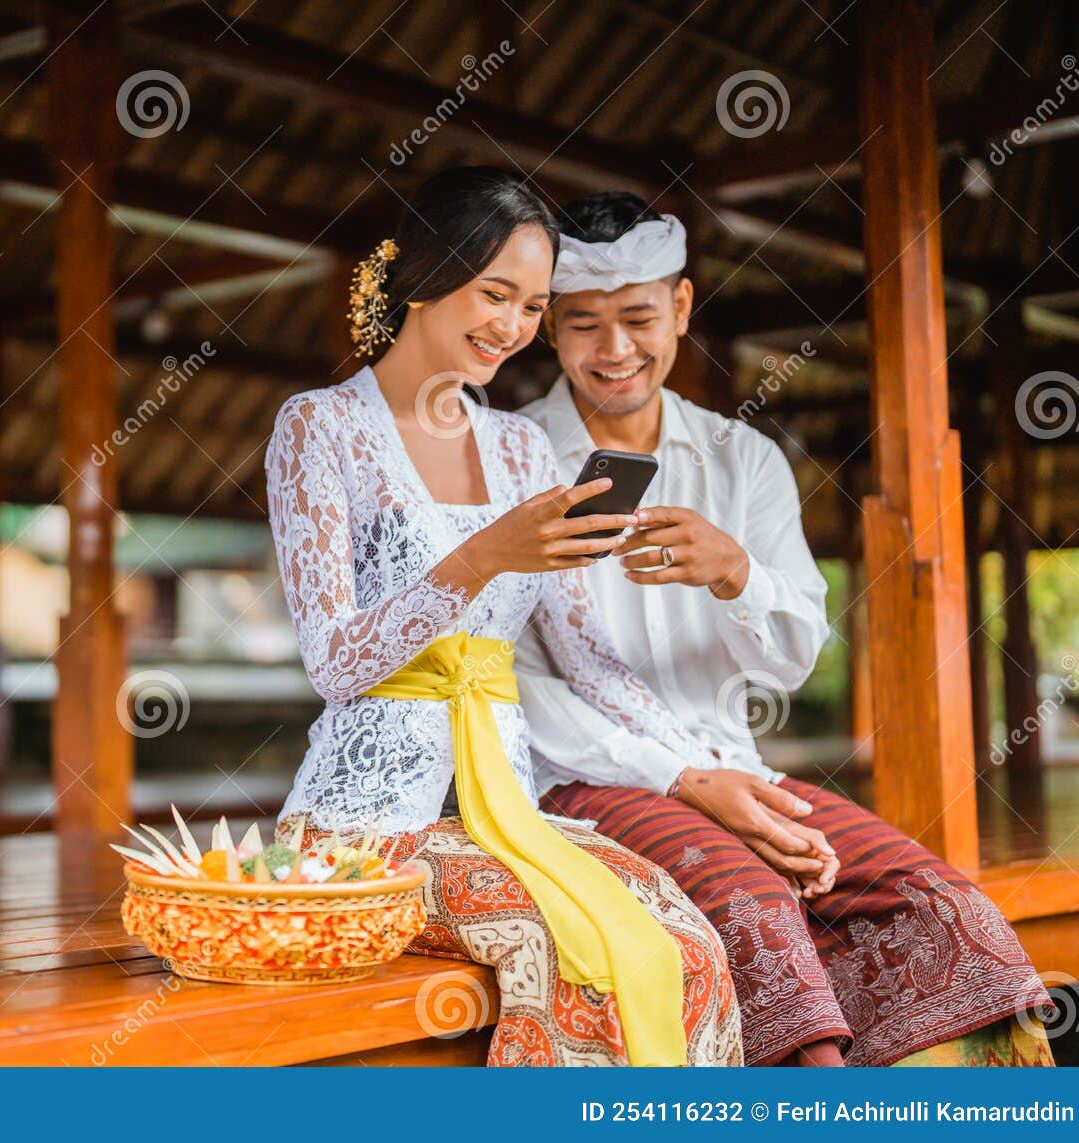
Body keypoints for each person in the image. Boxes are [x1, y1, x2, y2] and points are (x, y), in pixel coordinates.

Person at [514, 191, 1055, 1067]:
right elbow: (513, 690)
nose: (614, 350)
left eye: (640, 317)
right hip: (584, 780)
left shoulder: (743, 460)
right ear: (548, 327)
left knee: (940, 902)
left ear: (681, 307)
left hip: (741, 767)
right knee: (759, 910)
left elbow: (794, 659)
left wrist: (736, 572)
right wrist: (684, 779)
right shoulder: (511, 460)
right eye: (583, 324)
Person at [266, 167, 741, 1067]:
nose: (515, 328)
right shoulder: (319, 428)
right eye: (496, 294)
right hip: (366, 822)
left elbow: (589, 662)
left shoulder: (522, 447)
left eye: (532, 305)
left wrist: (703, 772)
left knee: (689, 942)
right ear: (426, 275)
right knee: (581, 957)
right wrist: (483, 554)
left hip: (507, 811)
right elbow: (333, 662)